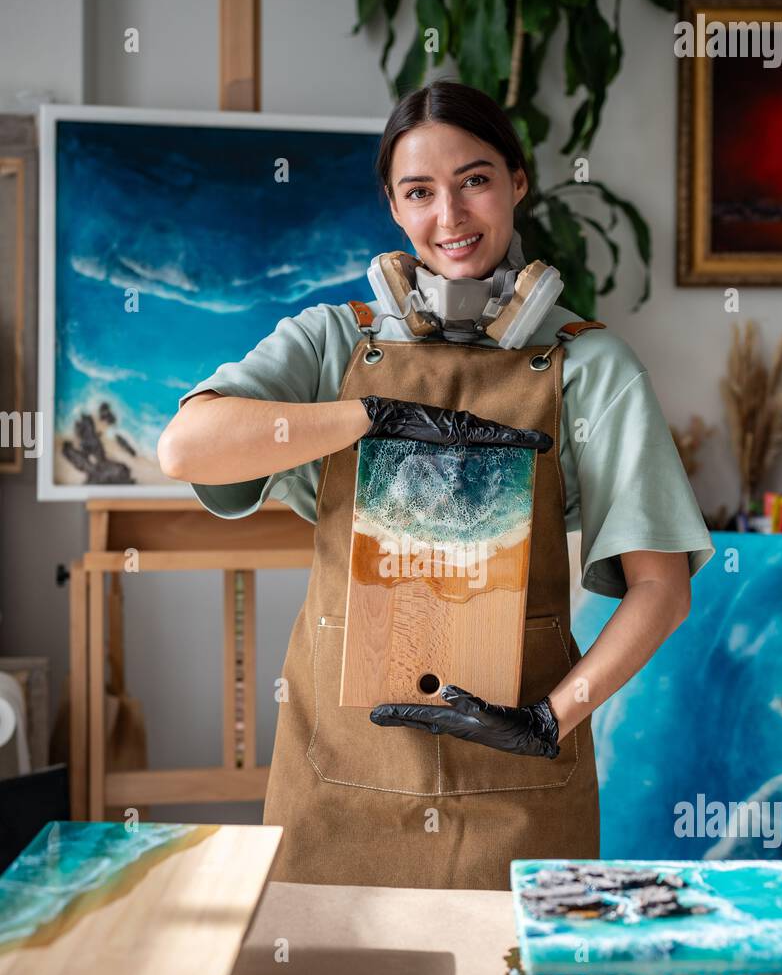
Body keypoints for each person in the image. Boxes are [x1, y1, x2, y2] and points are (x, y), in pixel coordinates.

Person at [158, 80, 714, 890]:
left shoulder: (592, 367)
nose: (449, 217)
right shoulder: (327, 345)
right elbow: (185, 447)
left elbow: (661, 590)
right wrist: (366, 417)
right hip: (337, 778)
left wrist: (550, 719)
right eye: (419, 192)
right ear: (392, 205)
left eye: (475, 180)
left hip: (518, 787)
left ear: (519, 182)